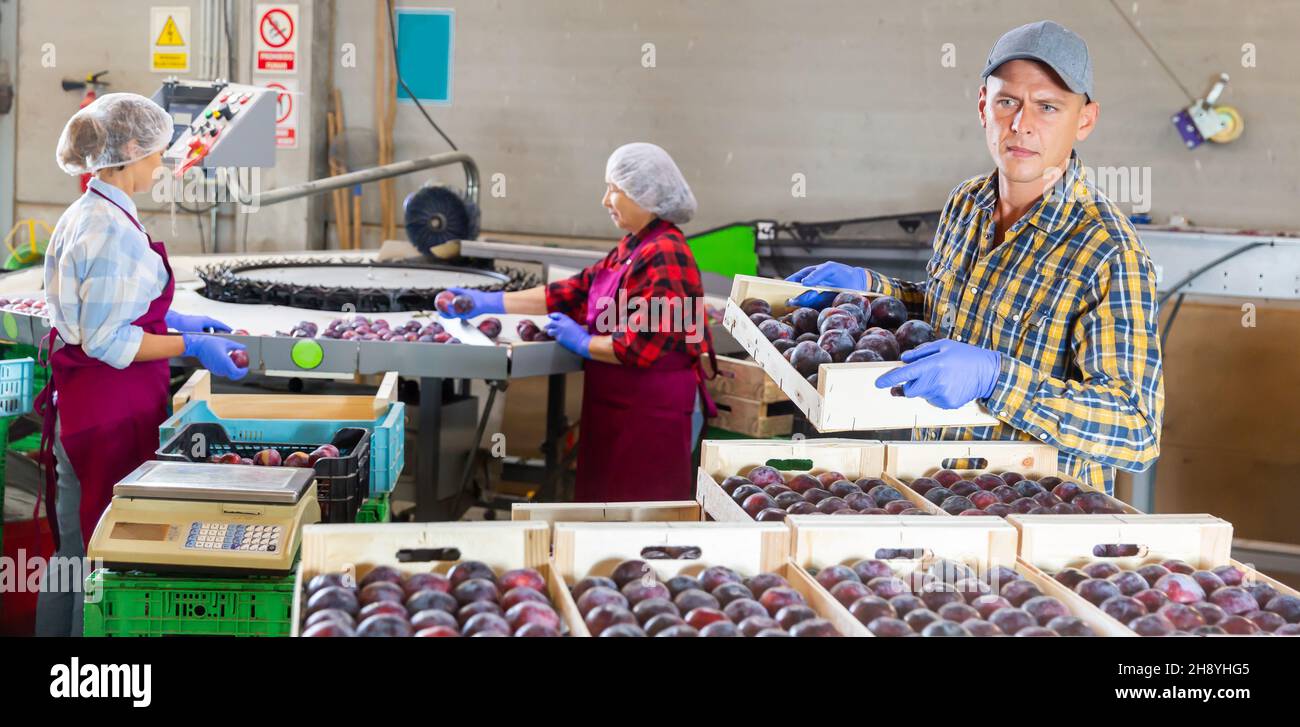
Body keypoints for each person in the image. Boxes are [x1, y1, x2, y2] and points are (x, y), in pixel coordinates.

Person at [789, 21, 1163, 496]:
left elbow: (1136, 428)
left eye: (1048, 107)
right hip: (932, 492)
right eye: (1008, 101)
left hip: (1035, 521)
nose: (1022, 124)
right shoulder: (966, 204)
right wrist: (868, 289)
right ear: (984, 105)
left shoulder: (1109, 252)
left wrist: (996, 377)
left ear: (1084, 120)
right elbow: (948, 313)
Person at [34, 93, 249, 636]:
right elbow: (109, 338)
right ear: (129, 149)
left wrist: (180, 319)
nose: (162, 163)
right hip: (109, 415)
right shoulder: (110, 230)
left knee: (71, 554)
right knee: (102, 556)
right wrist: (189, 346)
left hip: (79, 410)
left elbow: (107, 303)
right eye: (156, 153)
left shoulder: (87, 212)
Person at [445, 143, 716, 502]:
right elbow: (574, 291)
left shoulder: (666, 254)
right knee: (603, 511)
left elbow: (639, 347)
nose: (605, 200)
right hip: (618, 406)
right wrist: (487, 303)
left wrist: (583, 342)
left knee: (640, 517)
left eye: (615, 189)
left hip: (650, 415)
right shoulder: (633, 248)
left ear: (646, 194)